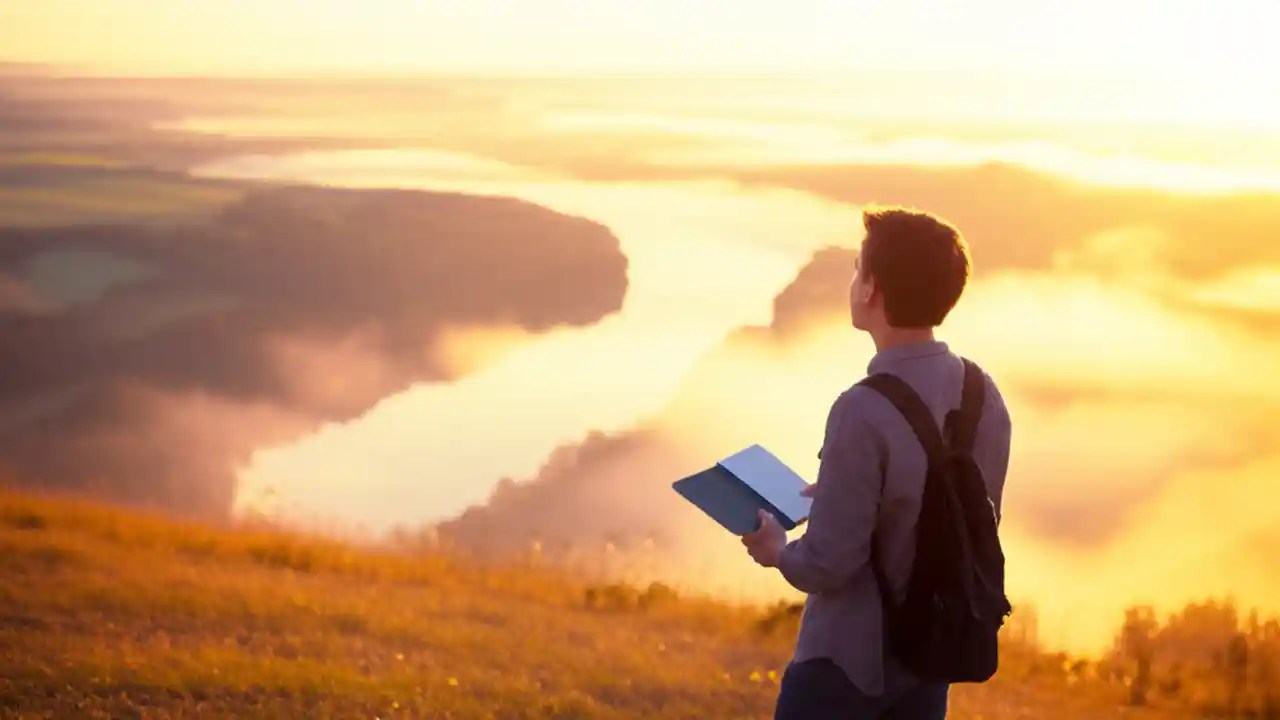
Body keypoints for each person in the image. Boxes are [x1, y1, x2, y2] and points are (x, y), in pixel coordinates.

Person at [741, 207, 1013, 720]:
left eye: (857, 269)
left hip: (845, 667)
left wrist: (776, 550)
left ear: (871, 289)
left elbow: (828, 564)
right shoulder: (983, 395)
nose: (853, 281)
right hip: (929, 661)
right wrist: (850, 489)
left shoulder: (861, 409)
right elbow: (970, 514)